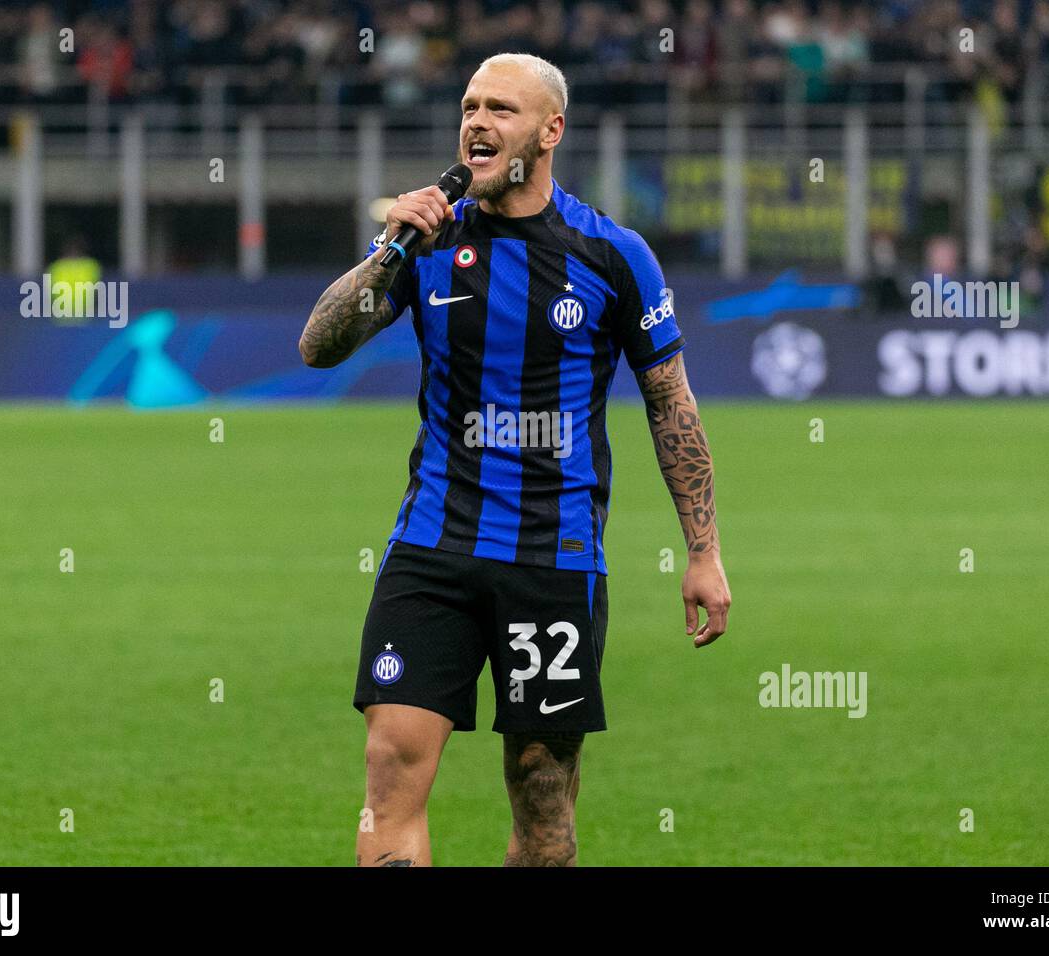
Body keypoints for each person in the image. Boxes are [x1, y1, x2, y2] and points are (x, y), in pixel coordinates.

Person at [300, 52, 731, 867]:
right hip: (431, 547)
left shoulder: (612, 255)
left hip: (553, 557)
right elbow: (319, 346)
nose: (476, 123)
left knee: (542, 793)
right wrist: (387, 248)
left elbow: (672, 404)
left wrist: (703, 552)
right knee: (390, 765)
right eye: (469, 106)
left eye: (500, 108)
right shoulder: (427, 241)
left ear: (550, 130)